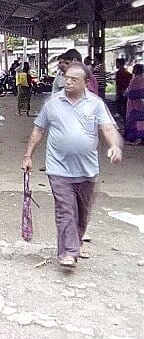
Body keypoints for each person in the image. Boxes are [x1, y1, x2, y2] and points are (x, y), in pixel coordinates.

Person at [21, 64, 123, 268]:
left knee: (82, 214)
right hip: (58, 168)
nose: (67, 82)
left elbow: (107, 128)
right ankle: (68, 252)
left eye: (73, 79)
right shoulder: (53, 103)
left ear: (86, 83)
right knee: (65, 210)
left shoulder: (95, 104)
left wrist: (114, 146)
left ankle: (75, 243)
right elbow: (38, 130)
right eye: (66, 78)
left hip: (87, 170)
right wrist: (28, 155)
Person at [124, 63, 144, 145]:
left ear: (136, 70)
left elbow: (130, 92)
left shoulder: (136, 79)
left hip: (134, 104)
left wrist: (126, 94)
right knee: (140, 120)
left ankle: (137, 138)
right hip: (140, 103)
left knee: (135, 121)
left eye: (134, 68)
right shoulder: (142, 79)